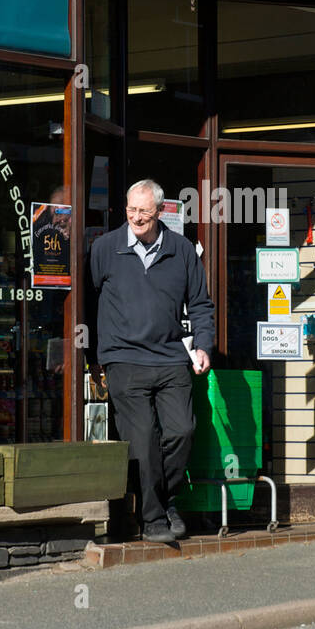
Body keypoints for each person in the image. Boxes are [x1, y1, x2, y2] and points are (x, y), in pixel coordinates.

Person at [89, 179, 214, 543]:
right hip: (124, 358)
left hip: (171, 357)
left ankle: (165, 499)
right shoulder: (105, 248)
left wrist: (203, 346)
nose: (137, 217)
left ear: (160, 211)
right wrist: (92, 352)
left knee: (181, 431)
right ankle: (154, 519)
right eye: (131, 209)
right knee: (143, 438)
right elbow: (88, 296)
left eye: (144, 211)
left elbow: (201, 305)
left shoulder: (181, 250)